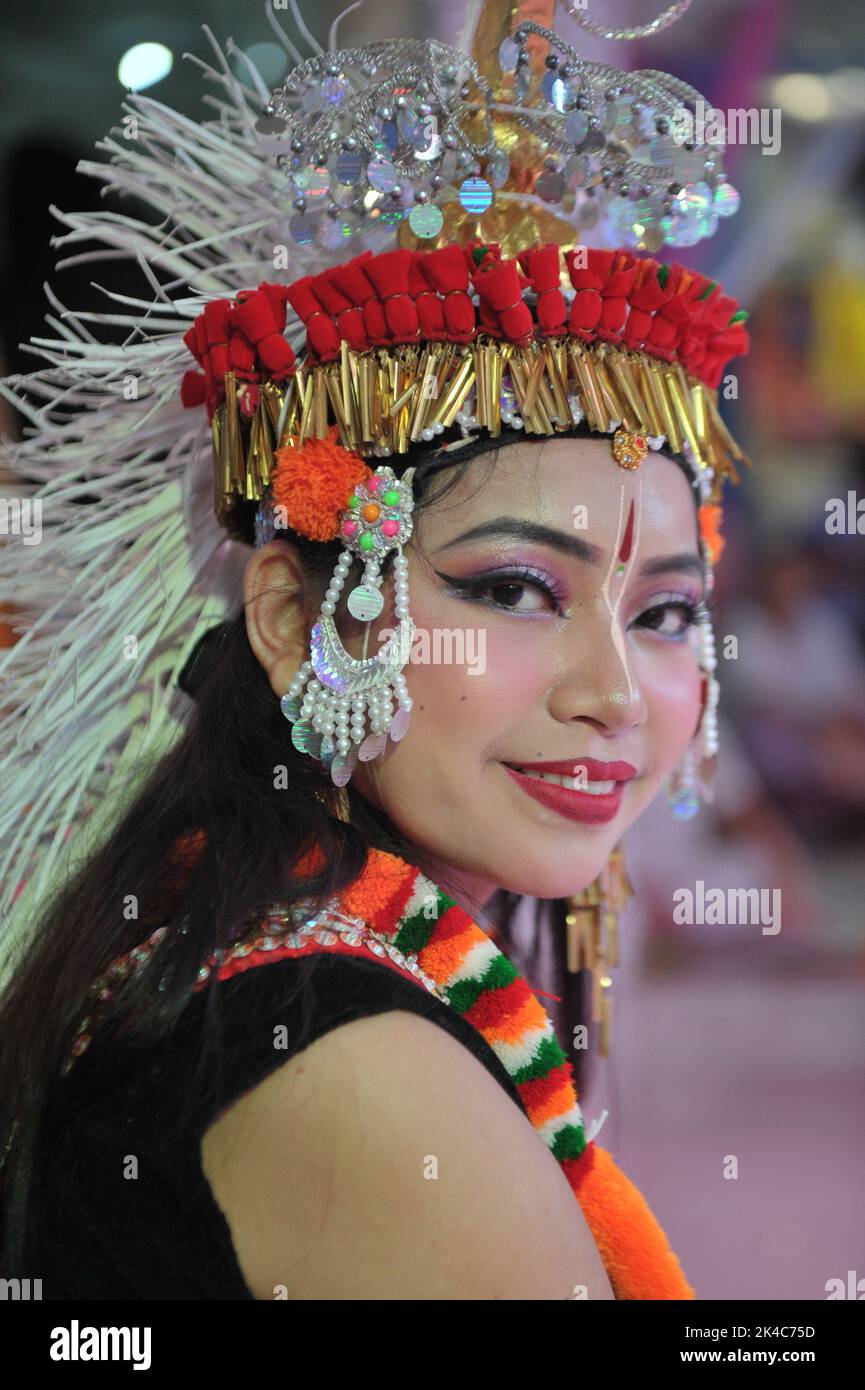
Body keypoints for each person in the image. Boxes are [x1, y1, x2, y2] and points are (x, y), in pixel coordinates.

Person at [0, 0, 751, 1299]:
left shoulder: (219, 938)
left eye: (665, 612)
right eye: (516, 586)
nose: (613, 692)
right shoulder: (362, 1080)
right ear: (294, 619)